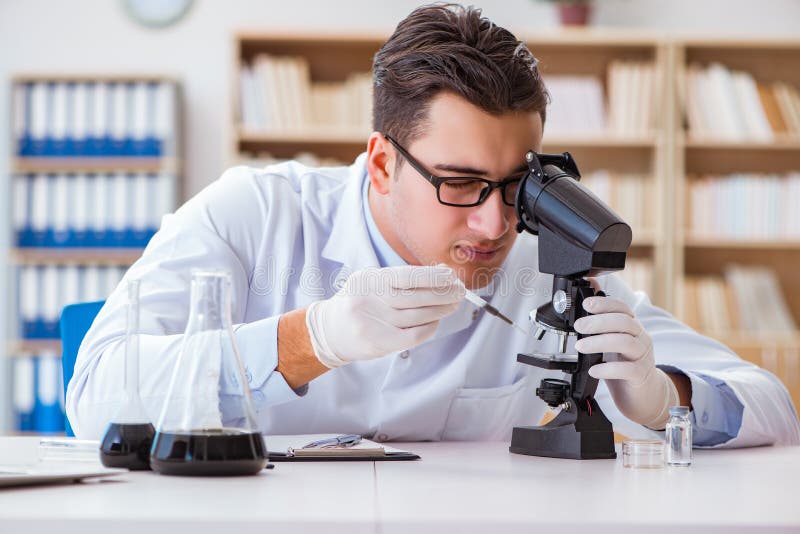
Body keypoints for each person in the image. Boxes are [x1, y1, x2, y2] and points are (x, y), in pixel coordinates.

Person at [68, 4, 799, 447]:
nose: (495, 220)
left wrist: (664, 393)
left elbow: (771, 401)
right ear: (382, 163)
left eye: (517, 185)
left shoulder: (537, 265)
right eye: (460, 183)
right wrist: (307, 340)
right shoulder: (255, 213)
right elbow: (96, 393)